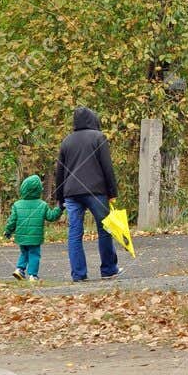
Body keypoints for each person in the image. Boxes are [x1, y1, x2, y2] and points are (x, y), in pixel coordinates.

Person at [54, 105, 123, 282]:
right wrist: (112, 192)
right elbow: (107, 167)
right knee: (105, 229)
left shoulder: (66, 141)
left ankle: (78, 274)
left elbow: (59, 172)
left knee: (75, 233)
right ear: (93, 119)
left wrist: (59, 197)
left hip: (71, 193)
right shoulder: (98, 137)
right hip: (95, 191)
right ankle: (108, 270)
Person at [3, 173, 61, 282]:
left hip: (21, 237)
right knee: (34, 254)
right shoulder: (42, 204)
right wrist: (59, 209)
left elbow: (12, 220)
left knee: (24, 252)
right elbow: (51, 217)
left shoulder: (17, 204)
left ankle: (19, 269)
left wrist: (8, 231)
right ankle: (33, 275)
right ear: (38, 190)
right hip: (35, 237)